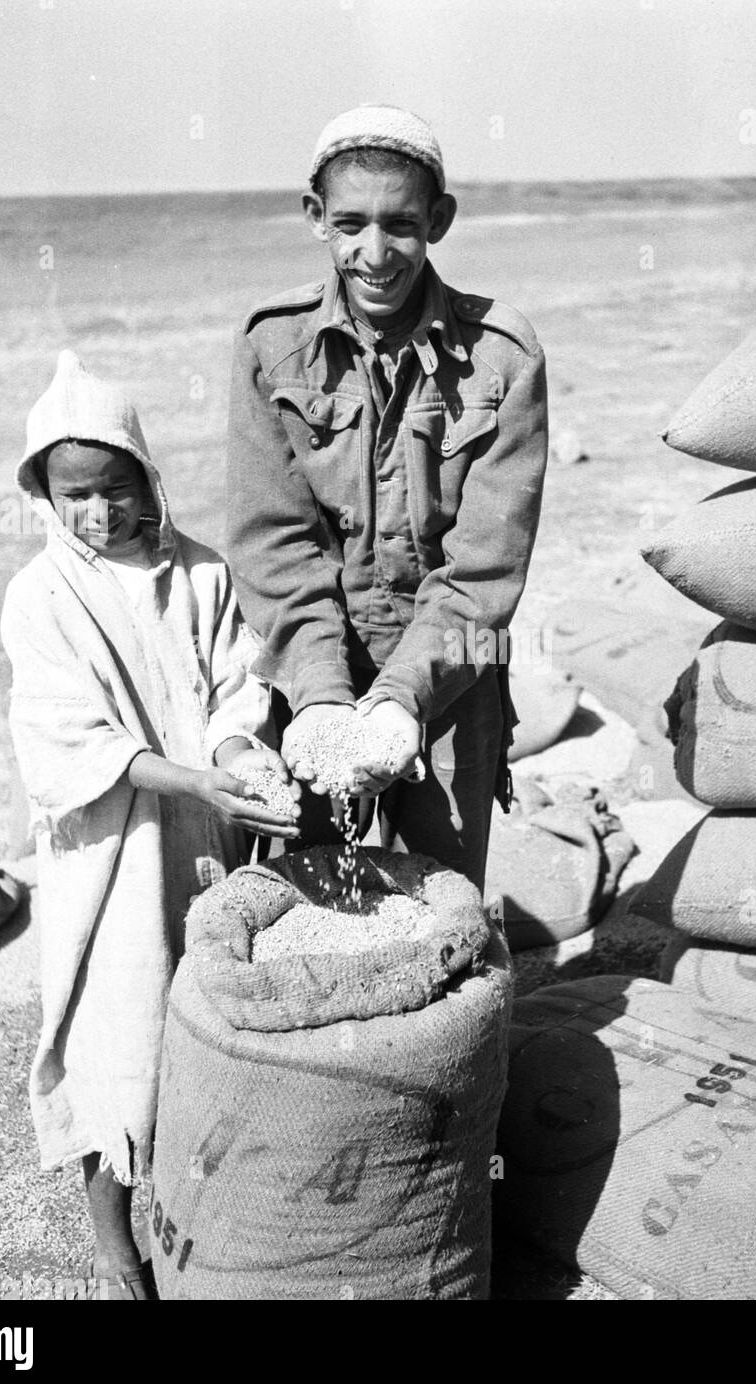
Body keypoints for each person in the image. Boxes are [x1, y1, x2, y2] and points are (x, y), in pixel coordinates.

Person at [0, 350, 299, 1299]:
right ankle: (111, 1235)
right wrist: (193, 780)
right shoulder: (39, 596)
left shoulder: (201, 573)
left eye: (115, 489)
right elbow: (65, 739)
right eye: (74, 495)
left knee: (206, 1011)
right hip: (110, 853)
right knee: (114, 1030)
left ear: (147, 477)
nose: (97, 514)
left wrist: (245, 755)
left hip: (201, 841)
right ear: (43, 495)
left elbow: (234, 688)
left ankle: (203, 1206)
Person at [226, 104, 549, 890]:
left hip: (452, 676)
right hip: (310, 670)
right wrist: (319, 700)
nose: (375, 253)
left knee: (444, 901)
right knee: (305, 899)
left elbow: (485, 566)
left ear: (438, 220)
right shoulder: (272, 344)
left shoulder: (502, 358)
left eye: (400, 224)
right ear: (315, 219)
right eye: (350, 224)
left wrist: (404, 699)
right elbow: (272, 541)